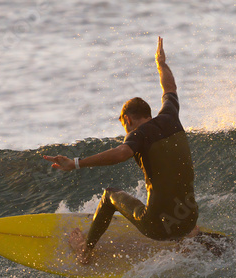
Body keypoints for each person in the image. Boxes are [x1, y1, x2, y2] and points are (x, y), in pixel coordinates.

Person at [43, 37, 225, 264]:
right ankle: (190, 236)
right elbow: (170, 87)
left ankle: (85, 251)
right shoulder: (170, 115)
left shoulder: (138, 135)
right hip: (189, 218)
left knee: (110, 194)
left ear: (128, 119)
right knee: (173, 192)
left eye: (124, 126)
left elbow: (121, 153)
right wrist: (161, 63)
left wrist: (76, 163)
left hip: (158, 228)